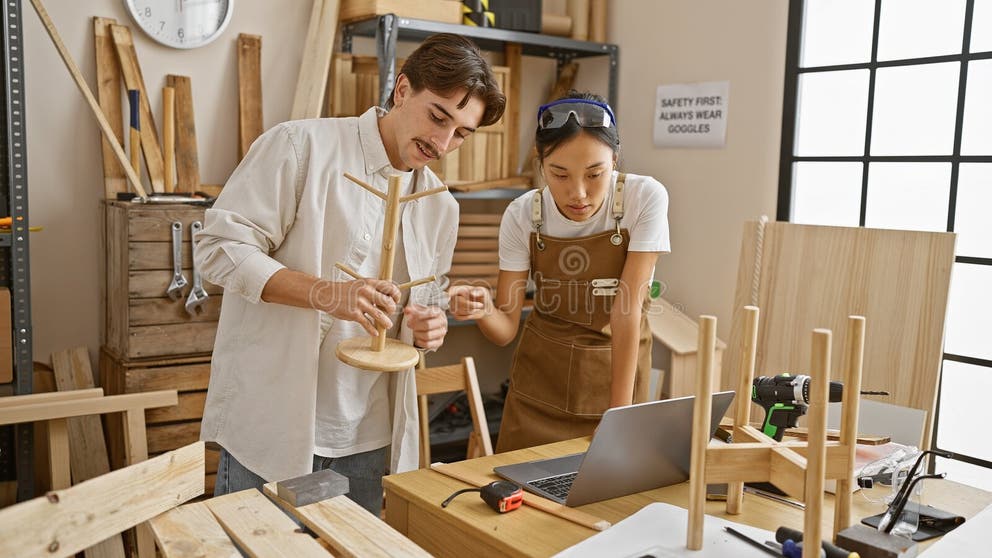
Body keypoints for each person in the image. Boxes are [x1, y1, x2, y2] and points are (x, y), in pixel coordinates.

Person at [194, 33, 506, 514]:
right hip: (275, 420)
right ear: (402, 89)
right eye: (438, 116)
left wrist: (427, 327)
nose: (443, 142)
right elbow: (218, 250)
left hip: (367, 435)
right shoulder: (300, 146)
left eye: (462, 132)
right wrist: (326, 293)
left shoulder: (441, 206)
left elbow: (421, 303)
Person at [449, 91, 669, 452]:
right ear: (541, 162)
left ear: (614, 159)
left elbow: (625, 311)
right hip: (538, 389)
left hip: (616, 384)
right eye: (560, 174)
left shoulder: (643, 197)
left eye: (595, 174)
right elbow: (505, 329)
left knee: (608, 500)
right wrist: (483, 308)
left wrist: (618, 416)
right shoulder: (522, 214)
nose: (578, 193)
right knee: (517, 497)